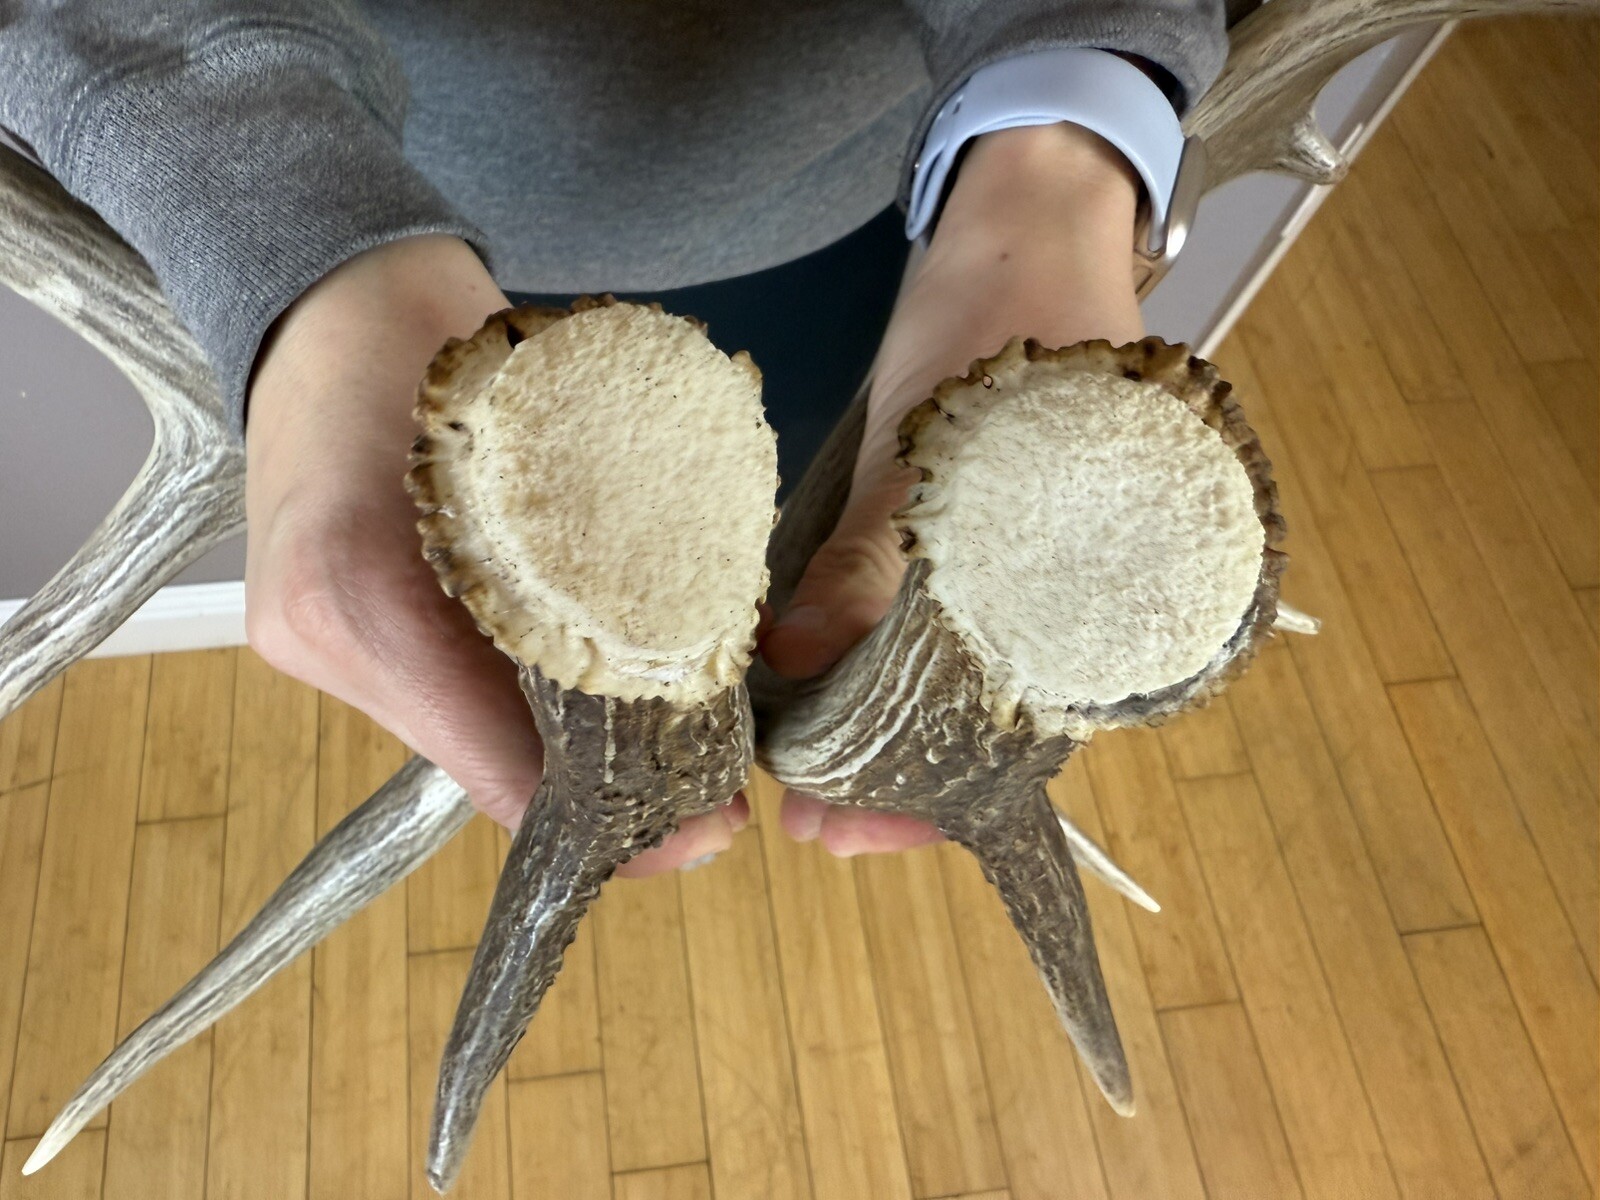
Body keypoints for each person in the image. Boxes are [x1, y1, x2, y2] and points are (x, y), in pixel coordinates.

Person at [1, 0, 1226, 874]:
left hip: (881, 193)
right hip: (383, 165)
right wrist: (285, 217)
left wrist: (1049, 149)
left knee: (795, 558)